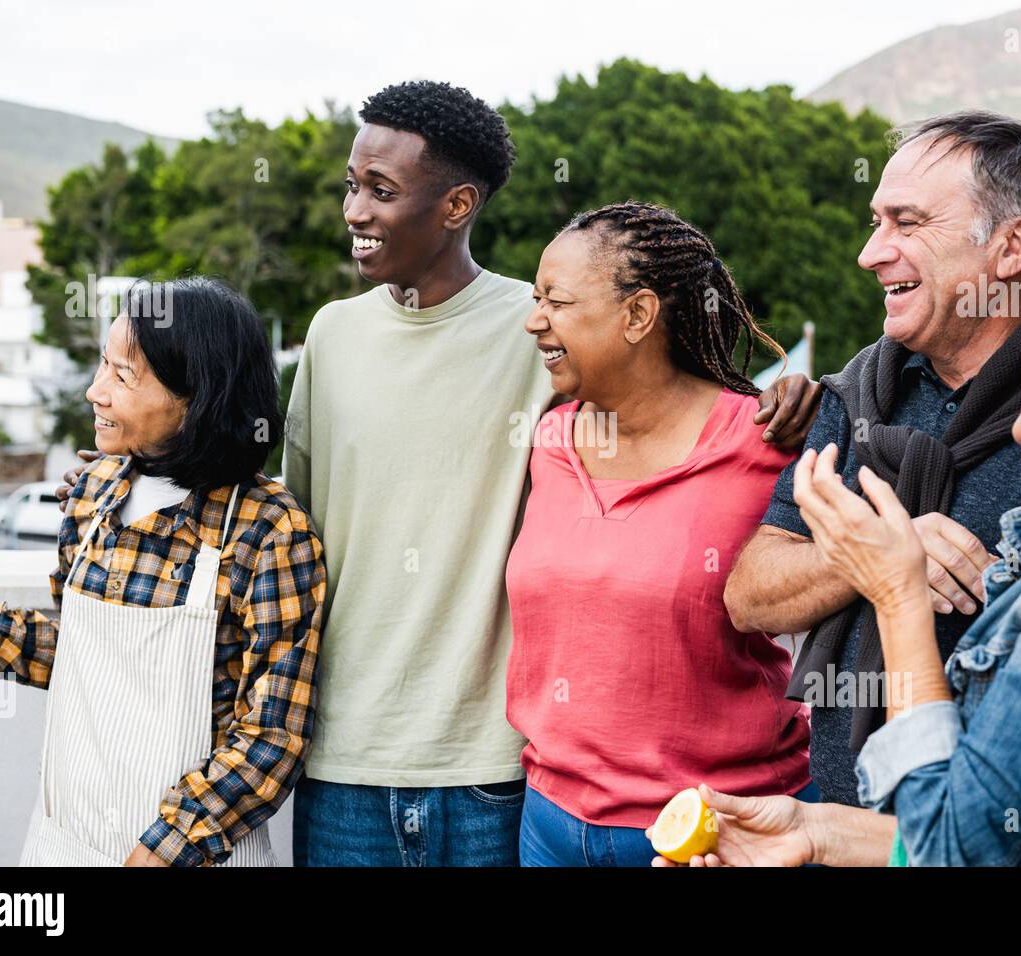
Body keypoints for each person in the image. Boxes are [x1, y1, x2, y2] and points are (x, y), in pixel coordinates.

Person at [271, 81, 819, 866]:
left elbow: (665, 402)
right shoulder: (332, 336)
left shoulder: (545, 337)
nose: (355, 210)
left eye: (380, 190)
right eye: (352, 186)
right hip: (342, 760)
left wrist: (801, 398)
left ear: (458, 204)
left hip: (499, 765)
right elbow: (294, 531)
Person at [724, 110, 1021, 805]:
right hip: (836, 815)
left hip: (1002, 830)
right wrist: (880, 556)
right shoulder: (858, 390)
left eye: (906, 222)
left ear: (1011, 246)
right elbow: (748, 594)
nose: (869, 252)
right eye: (875, 221)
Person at [0, 277, 325, 867]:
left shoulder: (270, 532)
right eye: (101, 366)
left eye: (122, 376)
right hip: (64, 843)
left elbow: (274, 735)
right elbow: (88, 662)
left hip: (189, 856)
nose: (93, 392)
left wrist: (162, 851)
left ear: (197, 397)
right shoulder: (91, 493)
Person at [507, 201, 811, 866]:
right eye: (535, 298)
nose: (534, 320)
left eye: (555, 300)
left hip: (717, 831)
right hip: (549, 823)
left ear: (639, 315)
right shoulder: (553, 440)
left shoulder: (765, 440)